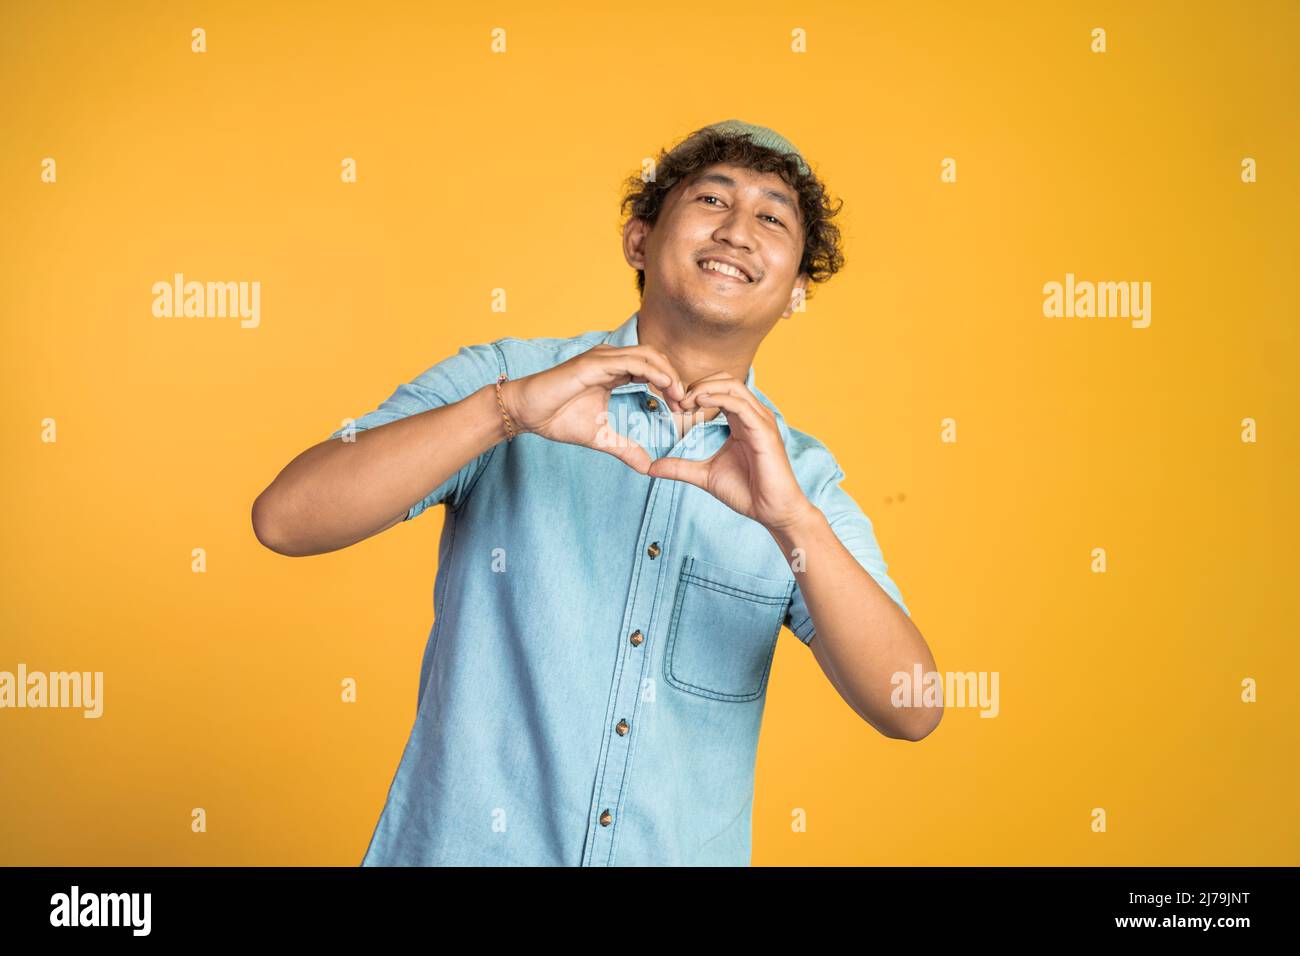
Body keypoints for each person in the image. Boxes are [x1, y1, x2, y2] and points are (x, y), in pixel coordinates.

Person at [251, 119, 941, 866]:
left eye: (773, 217)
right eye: (712, 199)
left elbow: (912, 708)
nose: (740, 231)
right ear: (639, 241)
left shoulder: (800, 482)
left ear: (799, 289)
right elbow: (286, 519)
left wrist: (793, 523)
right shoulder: (508, 379)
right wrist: (504, 412)